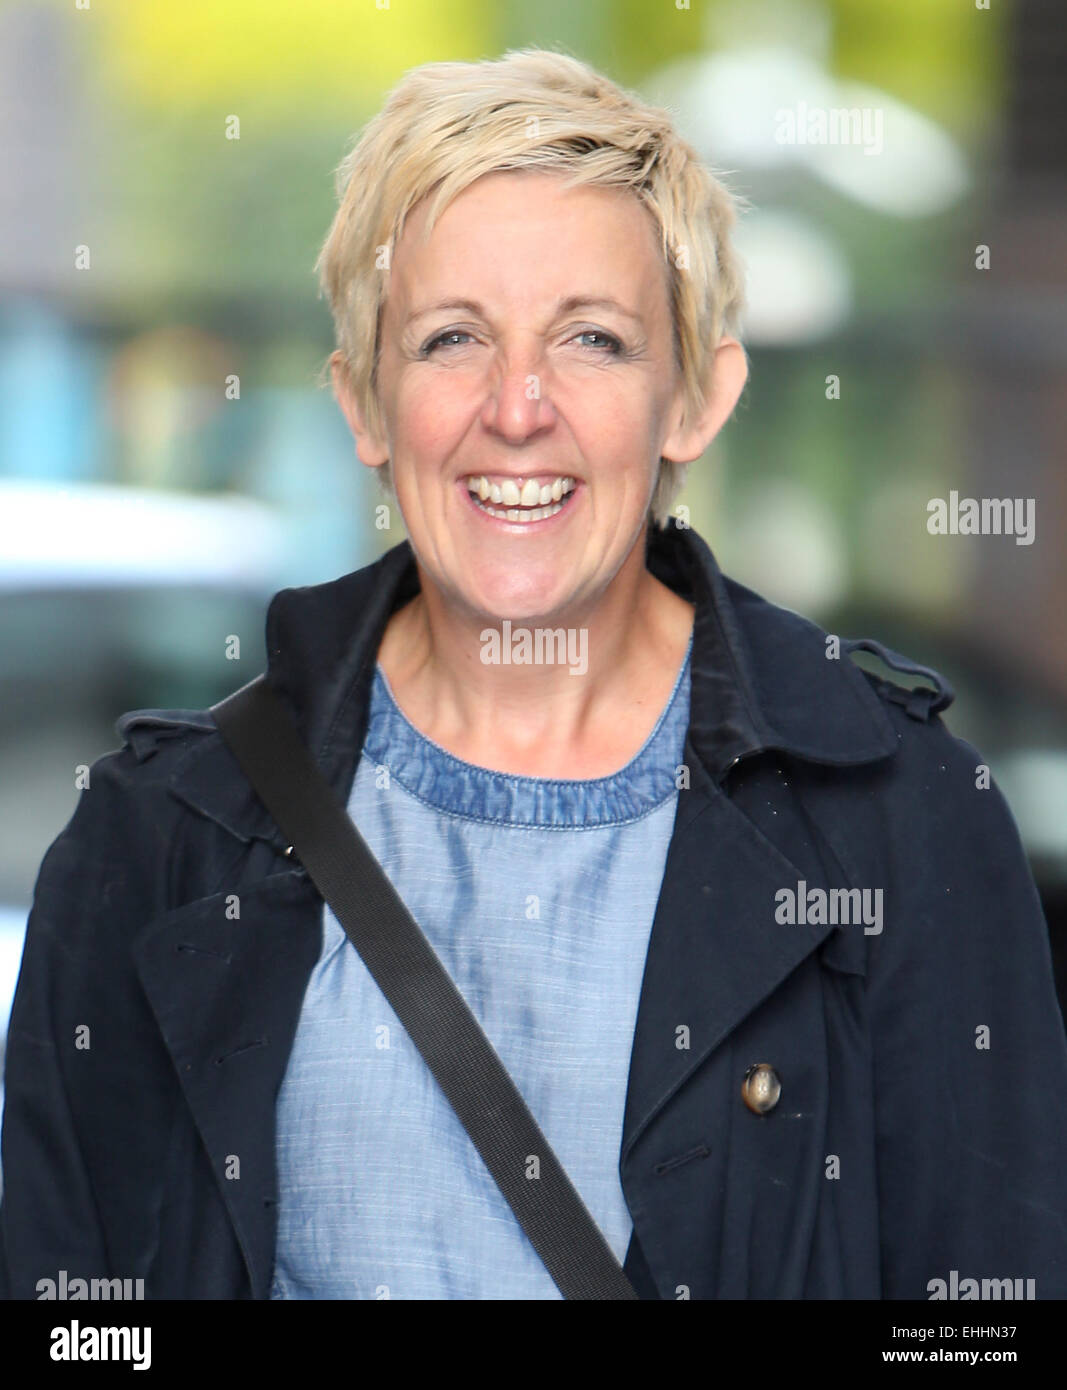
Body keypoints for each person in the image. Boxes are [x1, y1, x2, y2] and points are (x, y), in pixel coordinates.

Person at [2, 47, 1066, 1302]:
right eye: (453, 337)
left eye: (592, 340)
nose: (517, 406)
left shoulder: (904, 830)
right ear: (363, 401)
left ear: (693, 400)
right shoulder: (156, 839)